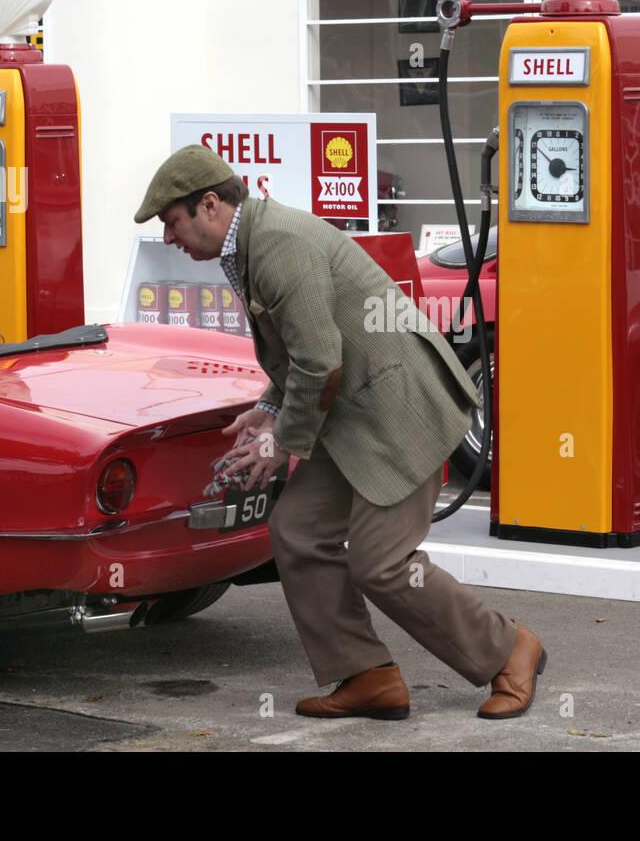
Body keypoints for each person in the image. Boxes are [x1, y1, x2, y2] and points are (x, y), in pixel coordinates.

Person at [134, 145, 545, 720]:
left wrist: (281, 443)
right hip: (352, 416)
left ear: (209, 205)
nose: (170, 237)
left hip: (398, 411)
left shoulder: (277, 244)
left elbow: (322, 362)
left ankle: (509, 648)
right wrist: (269, 407)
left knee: (381, 562)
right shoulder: (251, 242)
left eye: (171, 222)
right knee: (298, 530)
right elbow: (300, 348)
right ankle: (368, 676)